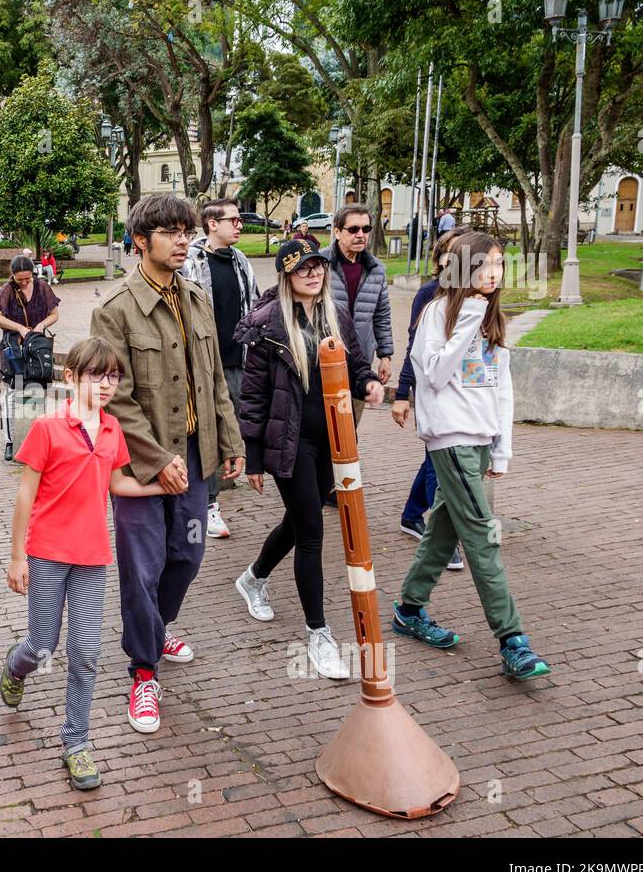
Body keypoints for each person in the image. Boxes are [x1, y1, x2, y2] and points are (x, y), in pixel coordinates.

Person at [89, 193, 245, 735]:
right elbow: (115, 395)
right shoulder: (115, 310)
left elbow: (216, 379)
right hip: (138, 464)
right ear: (140, 241)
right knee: (142, 567)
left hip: (197, 456)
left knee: (190, 554)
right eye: (170, 232)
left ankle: (156, 629)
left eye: (187, 230)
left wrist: (231, 441)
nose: (183, 240)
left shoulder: (197, 299)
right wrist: (157, 462)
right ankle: (143, 669)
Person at [0, 338, 165, 790]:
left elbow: (117, 484)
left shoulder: (113, 430)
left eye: (113, 376)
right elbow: (24, 496)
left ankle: (76, 744)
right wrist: (18, 556)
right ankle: (16, 667)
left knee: (86, 654)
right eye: (97, 375)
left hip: (93, 557)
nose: (107, 384)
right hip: (47, 554)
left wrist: (159, 489)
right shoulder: (48, 428)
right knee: (41, 645)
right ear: (70, 377)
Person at [392, 230, 551, 681]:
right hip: (452, 439)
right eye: (484, 265)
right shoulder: (437, 313)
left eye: (500, 264)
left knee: (443, 530)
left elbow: (502, 387)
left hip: (481, 442)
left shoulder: (491, 316)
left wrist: (503, 448)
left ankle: (408, 609)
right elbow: (436, 376)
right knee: (483, 538)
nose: (493, 273)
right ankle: (512, 640)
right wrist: (467, 323)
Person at [233, 240, 384, 679]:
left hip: (335, 442)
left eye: (318, 267)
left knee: (300, 524)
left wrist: (369, 382)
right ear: (286, 276)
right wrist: (255, 459)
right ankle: (318, 633)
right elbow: (254, 398)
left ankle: (254, 577)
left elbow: (357, 363)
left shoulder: (333, 313)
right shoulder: (269, 326)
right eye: (303, 270)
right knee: (314, 533)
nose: (314, 275)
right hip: (291, 442)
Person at [392, 226, 473, 572]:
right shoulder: (428, 294)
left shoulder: (478, 295)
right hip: (434, 391)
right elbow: (415, 349)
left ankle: (412, 515)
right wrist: (401, 394)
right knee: (441, 464)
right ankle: (444, 539)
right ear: (441, 259)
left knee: (437, 461)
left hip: (466, 396)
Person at [180, 197, 259, 540]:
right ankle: (208, 505)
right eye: (234, 220)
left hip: (238, 360)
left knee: (235, 427)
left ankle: (221, 487)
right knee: (207, 432)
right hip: (203, 363)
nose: (239, 225)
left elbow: (253, 304)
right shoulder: (191, 262)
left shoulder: (241, 261)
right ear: (212, 224)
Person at [322, 202, 392, 458]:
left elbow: (382, 315)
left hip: (360, 359)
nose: (360, 234)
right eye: (353, 229)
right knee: (325, 424)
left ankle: (339, 479)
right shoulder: (319, 264)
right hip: (322, 360)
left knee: (350, 423)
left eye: (365, 228)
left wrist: (385, 355)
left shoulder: (376, 270)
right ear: (337, 231)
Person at [0, 256, 61, 458]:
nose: (23, 282)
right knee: (13, 393)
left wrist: (41, 326)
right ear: (13, 275)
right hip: (14, 348)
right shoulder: (7, 290)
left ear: (33, 274)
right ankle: (10, 442)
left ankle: (35, 440)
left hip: (36, 348)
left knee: (37, 389)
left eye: (27, 279)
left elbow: (54, 313)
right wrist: (20, 328)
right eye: (19, 279)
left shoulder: (42, 288)